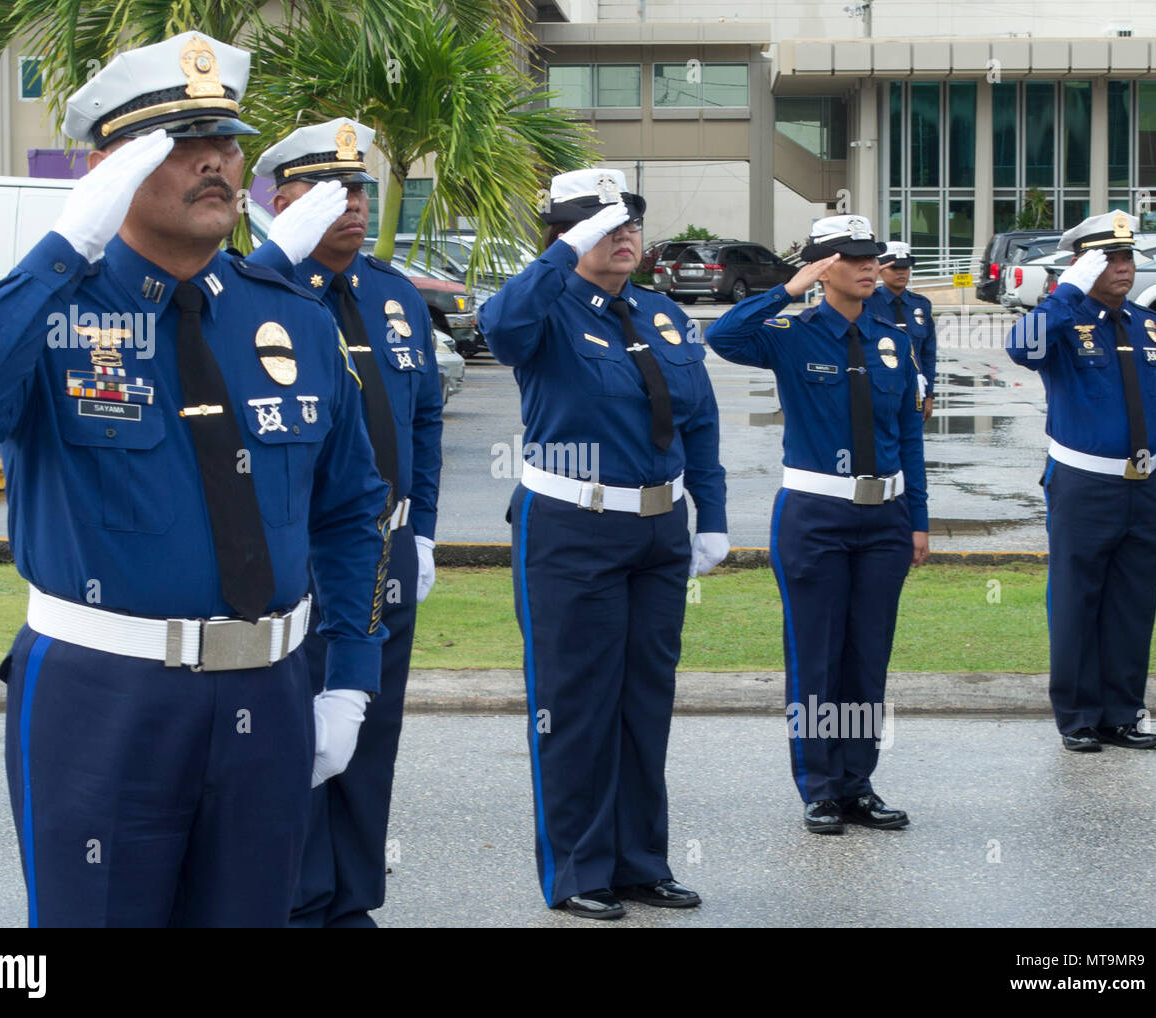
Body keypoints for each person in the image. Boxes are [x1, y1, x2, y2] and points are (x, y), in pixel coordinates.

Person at [0, 32, 390, 927]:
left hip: (270, 692)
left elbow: (353, 509)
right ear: (111, 170)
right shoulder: (50, 306)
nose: (217, 160)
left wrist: (350, 678)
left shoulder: (288, 317)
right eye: (179, 142)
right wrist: (63, 248)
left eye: (229, 141)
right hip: (103, 697)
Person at [480, 168, 728, 920]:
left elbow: (699, 423)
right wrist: (562, 254)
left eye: (629, 221)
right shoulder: (543, 310)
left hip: (657, 530)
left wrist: (709, 516)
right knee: (574, 704)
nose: (622, 233)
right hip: (570, 528)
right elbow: (497, 327)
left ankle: (638, 861)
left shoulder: (660, 313)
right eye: (598, 222)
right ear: (562, 234)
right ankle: (577, 869)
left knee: (643, 701)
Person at [248, 118, 444, 927]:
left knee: (370, 728)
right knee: (296, 731)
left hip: (385, 546)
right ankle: (298, 898)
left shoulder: (393, 294)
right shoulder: (259, 294)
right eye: (333, 192)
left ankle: (352, 899)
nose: (355, 205)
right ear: (282, 202)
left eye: (361, 189)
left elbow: (426, 415)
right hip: (297, 551)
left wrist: (423, 527)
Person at [707, 215, 928, 836]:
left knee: (867, 658)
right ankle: (820, 787)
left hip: (885, 516)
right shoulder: (791, 332)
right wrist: (787, 287)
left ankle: (858, 783)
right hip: (815, 515)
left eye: (872, 257)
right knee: (816, 656)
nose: (869, 266)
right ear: (823, 267)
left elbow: (908, 433)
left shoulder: (894, 335)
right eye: (853, 257)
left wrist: (918, 518)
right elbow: (722, 336)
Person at [1006, 211, 1156, 752]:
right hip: (1083, 483)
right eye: (1109, 259)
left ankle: (1123, 713)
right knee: (1076, 600)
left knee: (1132, 603)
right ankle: (1079, 716)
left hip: (1141, 487)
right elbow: (1022, 348)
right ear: (1084, 264)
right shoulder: (1060, 321)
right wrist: (1066, 294)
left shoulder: (1147, 323)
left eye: (1128, 258)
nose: (1124, 268)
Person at [866, 241, 937, 421]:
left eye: (905, 267)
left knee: (910, 445)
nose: (901, 272)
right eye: (895, 267)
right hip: (878, 389)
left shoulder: (920, 305)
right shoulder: (867, 302)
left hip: (914, 390)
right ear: (880, 269)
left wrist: (929, 395)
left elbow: (928, 354)